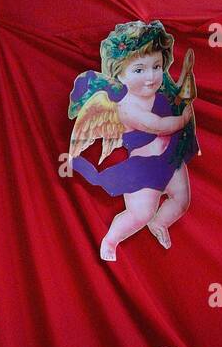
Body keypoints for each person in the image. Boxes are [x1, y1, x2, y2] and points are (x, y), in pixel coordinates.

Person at [68, 20, 198, 260]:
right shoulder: (126, 107)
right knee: (141, 213)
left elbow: (175, 101)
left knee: (182, 199)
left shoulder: (159, 92)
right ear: (119, 73)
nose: (151, 76)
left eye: (156, 66)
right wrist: (182, 120)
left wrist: (184, 90)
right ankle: (112, 238)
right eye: (139, 70)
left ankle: (160, 222)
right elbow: (157, 125)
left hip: (170, 159)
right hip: (145, 170)